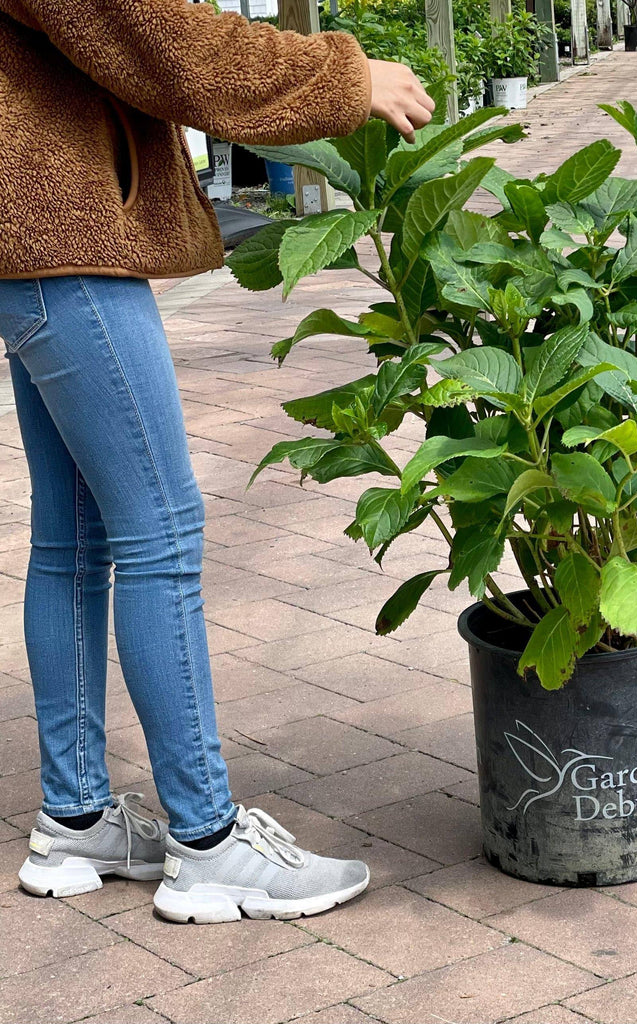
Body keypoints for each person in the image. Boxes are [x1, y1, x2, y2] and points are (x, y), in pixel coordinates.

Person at [0, 0, 433, 923]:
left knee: (73, 539)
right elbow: (152, 28)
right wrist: (342, 77)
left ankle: (76, 821)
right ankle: (207, 844)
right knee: (159, 532)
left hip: (35, 238)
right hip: (64, 238)